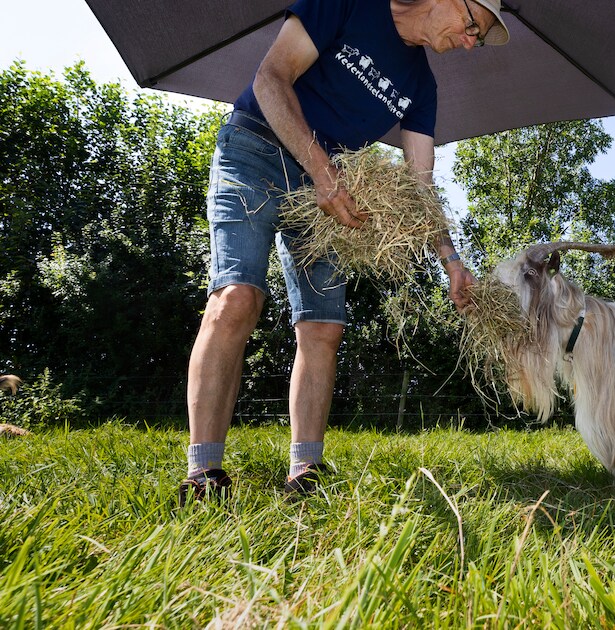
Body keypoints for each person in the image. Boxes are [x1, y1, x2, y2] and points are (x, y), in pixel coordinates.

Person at [178, 0, 509, 506]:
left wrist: (452, 261)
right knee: (237, 298)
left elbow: (421, 186)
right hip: (256, 148)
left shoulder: (422, 86)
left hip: (324, 194)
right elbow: (270, 79)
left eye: (477, 40)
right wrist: (322, 170)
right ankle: (203, 474)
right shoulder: (350, 2)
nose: (470, 44)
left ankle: (305, 470)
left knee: (323, 327)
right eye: (472, 27)